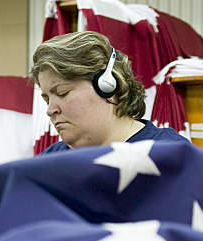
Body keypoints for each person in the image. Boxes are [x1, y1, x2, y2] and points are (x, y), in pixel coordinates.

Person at [30, 31, 188, 154]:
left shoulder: (171, 154)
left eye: (63, 93)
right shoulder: (51, 161)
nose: (50, 110)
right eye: (46, 99)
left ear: (108, 85)